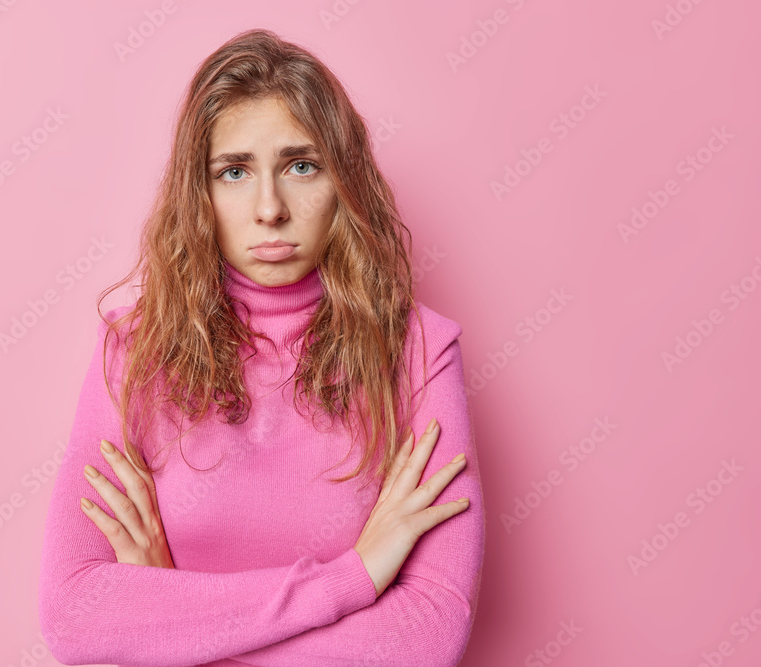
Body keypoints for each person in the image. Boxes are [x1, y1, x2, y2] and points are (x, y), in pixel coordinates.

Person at [38, 28, 484, 667]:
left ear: (343, 181)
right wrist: (352, 579)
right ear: (201, 192)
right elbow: (75, 616)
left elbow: (427, 637)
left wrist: (175, 622)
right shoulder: (133, 350)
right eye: (235, 171)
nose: (269, 208)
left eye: (302, 166)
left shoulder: (419, 353)